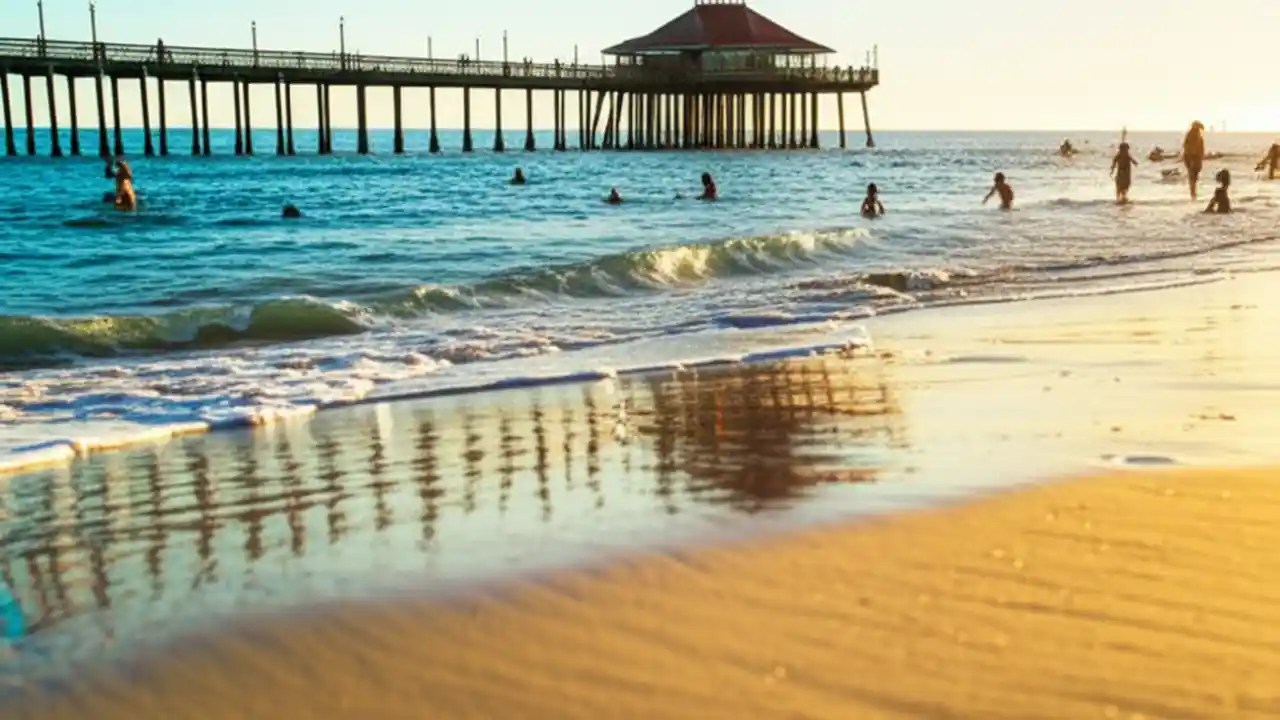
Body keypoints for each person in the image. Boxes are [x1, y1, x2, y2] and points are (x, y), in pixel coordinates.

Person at [1182, 121, 1206, 200]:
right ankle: (1193, 194)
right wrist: (1192, 159)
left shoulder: (1195, 135)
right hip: (1193, 159)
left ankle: (1193, 194)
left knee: (1193, 178)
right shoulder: (1193, 135)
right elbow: (1189, 148)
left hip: (1195, 159)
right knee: (1193, 178)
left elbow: (1186, 147)